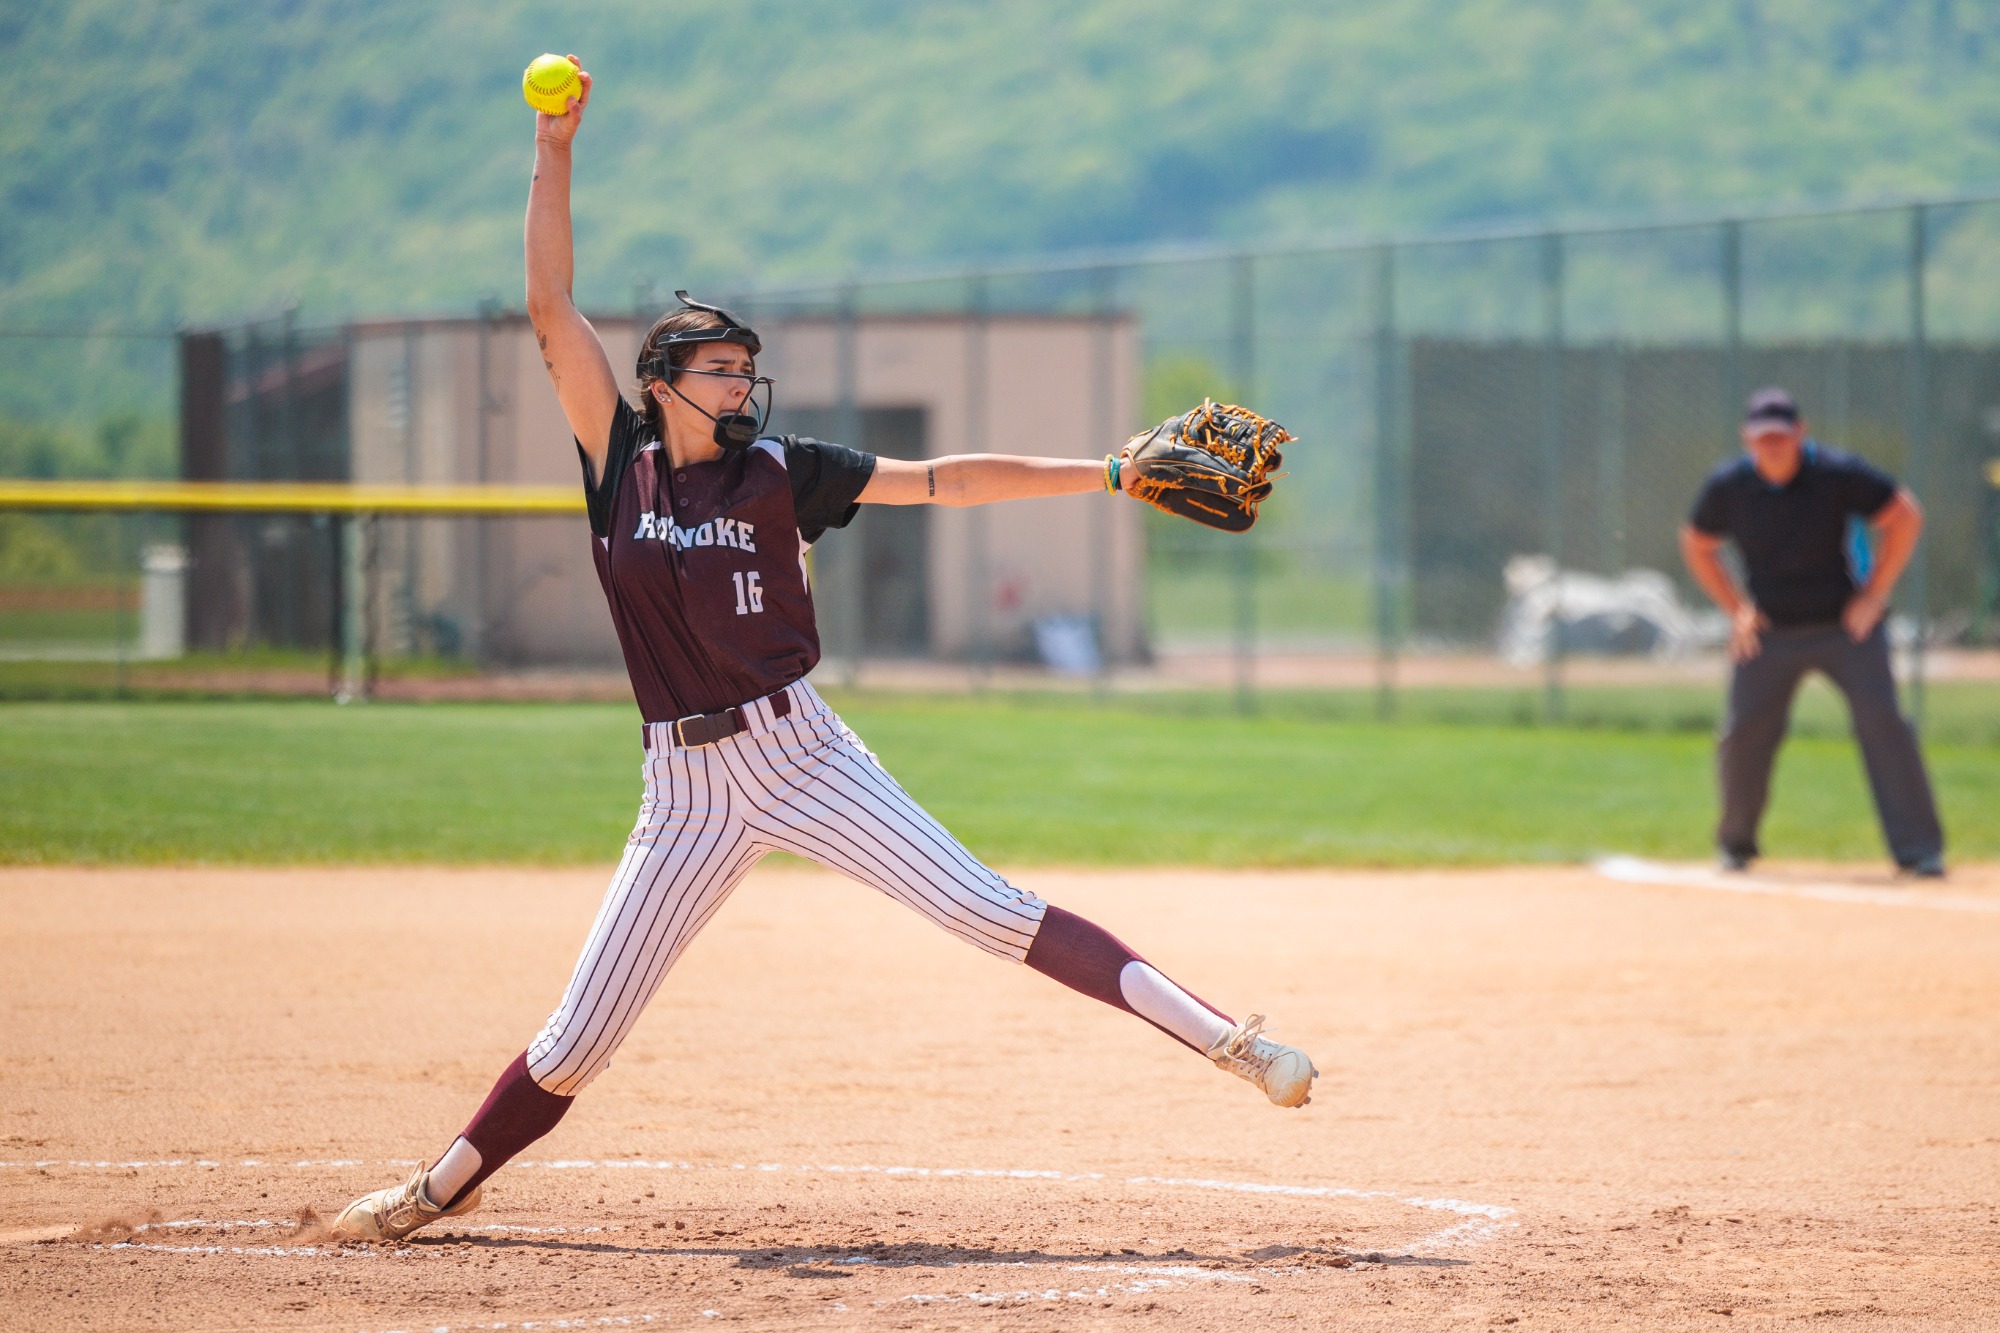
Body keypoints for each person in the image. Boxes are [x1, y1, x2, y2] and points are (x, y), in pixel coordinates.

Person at [329, 59, 1317, 1243]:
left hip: (804, 755)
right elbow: (550, 311)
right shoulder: (617, 461)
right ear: (659, 384)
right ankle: (429, 1193)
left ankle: (1228, 1040)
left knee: (985, 908)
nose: (741, 385)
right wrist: (554, 152)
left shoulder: (779, 471)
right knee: (580, 1035)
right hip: (683, 789)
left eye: (748, 369)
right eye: (718, 370)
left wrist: (1104, 470)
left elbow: (945, 482)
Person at [1679, 387, 1945, 877]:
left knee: (1883, 723)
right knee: (1743, 734)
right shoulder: (1730, 485)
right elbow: (1697, 542)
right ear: (1747, 439)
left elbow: (1904, 515)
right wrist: (1736, 609)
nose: (1773, 445)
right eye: (1763, 438)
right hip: (1768, 632)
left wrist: (1874, 593)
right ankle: (1736, 844)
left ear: (1800, 433)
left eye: (1782, 435)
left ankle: (1920, 850)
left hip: (1844, 627)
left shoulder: (1836, 474)